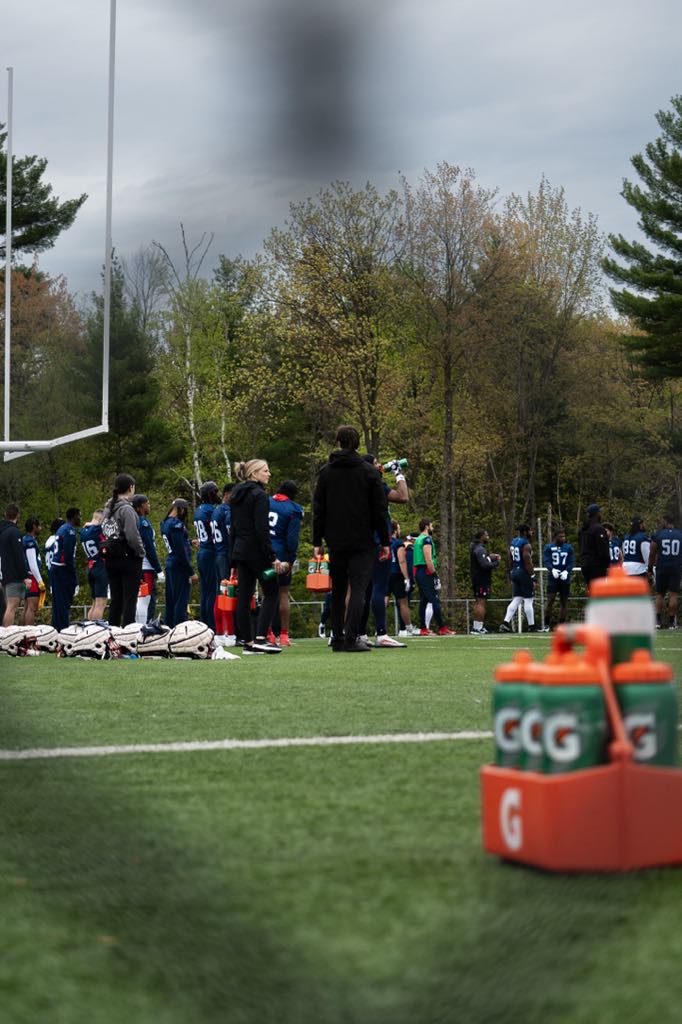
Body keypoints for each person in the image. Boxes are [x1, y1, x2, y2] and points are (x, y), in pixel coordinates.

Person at [312, 425, 390, 653]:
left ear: (338, 441)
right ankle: (352, 636)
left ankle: (337, 636)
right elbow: (379, 510)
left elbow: (319, 509)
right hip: (362, 539)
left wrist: (317, 541)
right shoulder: (368, 472)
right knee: (358, 589)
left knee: (337, 590)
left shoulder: (326, 472)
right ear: (357, 443)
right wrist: (385, 541)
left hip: (335, 539)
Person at [229, 459, 287, 653]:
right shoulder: (260, 495)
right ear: (254, 474)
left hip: (241, 553)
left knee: (244, 598)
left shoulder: (236, 495)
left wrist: (232, 559)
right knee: (271, 591)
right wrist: (272, 556)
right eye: (265, 470)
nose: (269, 474)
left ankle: (247, 641)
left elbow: (234, 529)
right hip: (258, 555)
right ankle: (261, 637)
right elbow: (262, 529)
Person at [358, 456, 409, 648]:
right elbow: (403, 497)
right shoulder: (375, 485)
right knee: (378, 587)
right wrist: (398, 473)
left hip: (361, 543)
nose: (381, 465)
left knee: (365, 589)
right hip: (379, 542)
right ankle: (382, 633)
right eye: (377, 462)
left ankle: (360, 632)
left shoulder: (356, 486)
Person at [101, 474, 145, 628]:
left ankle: (112, 632)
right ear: (130, 488)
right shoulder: (126, 509)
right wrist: (141, 552)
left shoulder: (108, 508)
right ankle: (128, 634)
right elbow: (132, 535)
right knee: (130, 599)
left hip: (111, 556)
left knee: (116, 599)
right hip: (127, 557)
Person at [268, 480, 304, 647]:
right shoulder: (293, 509)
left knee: (265, 593)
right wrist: (291, 558)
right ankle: (283, 635)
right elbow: (292, 539)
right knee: (283, 593)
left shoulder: (265, 501)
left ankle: (267, 633)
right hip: (281, 551)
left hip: (264, 550)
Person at [413, 519, 455, 636]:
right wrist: (434, 573)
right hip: (426, 571)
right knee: (434, 600)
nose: (432, 528)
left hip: (419, 571)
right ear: (427, 527)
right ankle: (442, 627)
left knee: (424, 600)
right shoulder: (426, 539)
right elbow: (428, 559)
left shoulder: (418, 540)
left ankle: (423, 628)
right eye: (431, 526)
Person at [161, 499, 198, 629]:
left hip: (171, 564)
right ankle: (179, 629)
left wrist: (188, 541)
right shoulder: (176, 524)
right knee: (181, 601)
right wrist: (191, 572)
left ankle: (169, 627)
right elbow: (180, 551)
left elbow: (176, 542)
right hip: (179, 566)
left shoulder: (165, 523)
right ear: (181, 509)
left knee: (171, 600)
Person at [499, 524, 537, 633]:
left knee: (517, 599)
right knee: (528, 600)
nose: (531, 532)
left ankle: (505, 623)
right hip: (523, 573)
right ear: (525, 532)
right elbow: (527, 561)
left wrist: (511, 571)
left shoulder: (514, 542)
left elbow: (510, 558)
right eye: (530, 530)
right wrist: (533, 577)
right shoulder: (526, 545)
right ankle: (532, 626)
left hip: (515, 571)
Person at [132, 494, 163, 622]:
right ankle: (143, 627)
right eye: (147, 503)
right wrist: (159, 568)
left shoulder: (133, 521)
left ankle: (139, 625)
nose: (149, 506)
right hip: (146, 567)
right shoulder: (143, 522)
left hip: (138, 565)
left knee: (141, 599)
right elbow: (149, 548)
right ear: (140, 507)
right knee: (145, 599)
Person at [194, 481, 220, 631]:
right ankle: (211, 626)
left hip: (202, 551)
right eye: (215, 492)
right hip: (210, 551)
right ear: (211, 494)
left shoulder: (199, 510)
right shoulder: (211, 511)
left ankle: (204, 623)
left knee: (205, 591)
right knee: (211, 591)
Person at [648, 515, 682, 629]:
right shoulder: (680, 535)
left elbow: (652, 552)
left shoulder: (659, 534)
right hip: (676, 567)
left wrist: (649, 567)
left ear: (666, 522)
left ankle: (657, 621)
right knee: (673, 595)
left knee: (660, 594)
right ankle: (672, 622)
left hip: (662, 567)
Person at [50, 507, 81, 632]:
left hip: (56, 568)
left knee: (58, 603)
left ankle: (56, 629)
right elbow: (68, 555)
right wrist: (73, 576)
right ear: (74, 516)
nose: (80, 518)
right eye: (79, 515)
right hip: (62, 569)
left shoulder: (61, 529)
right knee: (63, 603)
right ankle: (63, 630)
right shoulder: (69, 531)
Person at [0, 504, 31, 627]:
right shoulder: (14, 532)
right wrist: (25, 576)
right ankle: (6, 637)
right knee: (12, 607)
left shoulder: (2, 532)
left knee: (8, 606)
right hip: (14, 575)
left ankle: (4, 636)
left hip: (5, 574)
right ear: (18, 515)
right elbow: (19, 556)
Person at [542, 525, 574, 631]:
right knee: (550, 600)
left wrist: (566, 571)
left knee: (564, 602)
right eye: (560, 536)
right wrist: (552, 569)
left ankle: (561, 626)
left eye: (564, 536)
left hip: (565, 577)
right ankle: (546, 625)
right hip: (553, 578)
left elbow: (571, 562)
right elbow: (546, 561)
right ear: (555, 537)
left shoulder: (568, 547)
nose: (563, 538)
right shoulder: (548, 547)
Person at [469, 529, 501, 634]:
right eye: (486, 535)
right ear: (481, 536)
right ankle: (478, 628)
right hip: (481, 579)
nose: (488, 537)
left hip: (477, 579)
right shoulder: (480, 549)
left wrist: (490, 557)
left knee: (479, 602)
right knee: (481, 603)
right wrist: (496, 562)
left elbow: (483, 560)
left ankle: (477, 627)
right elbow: (484, 565)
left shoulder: (476, 547)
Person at [80, 509, 109, 621]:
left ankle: (89, 628)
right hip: (100, 566)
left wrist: (90, 523)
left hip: (91, 566)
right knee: (101, 603)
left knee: (94, 603)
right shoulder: (97, 529)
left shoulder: (83, 531)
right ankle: (96, 630)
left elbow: (90, 524)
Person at [389, 521, 415, 637]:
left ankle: (379, 628)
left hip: (384, 574)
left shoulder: (381, 542)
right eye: (398, 529)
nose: (400, 531)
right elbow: (402, 560)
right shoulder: (398, 543)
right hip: (396, 574)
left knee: (383, 599)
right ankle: (408, 628)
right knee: (403, 602)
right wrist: (407, 578)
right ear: (394, 530)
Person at [579, 503, 610, 586]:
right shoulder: (598, 529)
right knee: (599, 594)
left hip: (585, 564)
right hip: (596, 567)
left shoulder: (583, 529)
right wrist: (607, 565)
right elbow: (603, 550)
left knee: (592, 592)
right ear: (597, 514)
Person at [22, 516, 45, 626]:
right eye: (39, 526)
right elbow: (32, 564)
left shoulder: (26, 539)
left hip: (28, 577)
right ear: (34, 527)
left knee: (27, 607)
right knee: (32, 608)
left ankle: (22, 633)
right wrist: (40, 581)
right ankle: (29, 633)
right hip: (32, 577)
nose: (41, 528)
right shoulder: (29, 541)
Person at [44, 517, 64, 603]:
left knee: (56, 604)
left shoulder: (49, 541)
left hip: (51, 575)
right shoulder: (58, 540)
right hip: (59, 575)